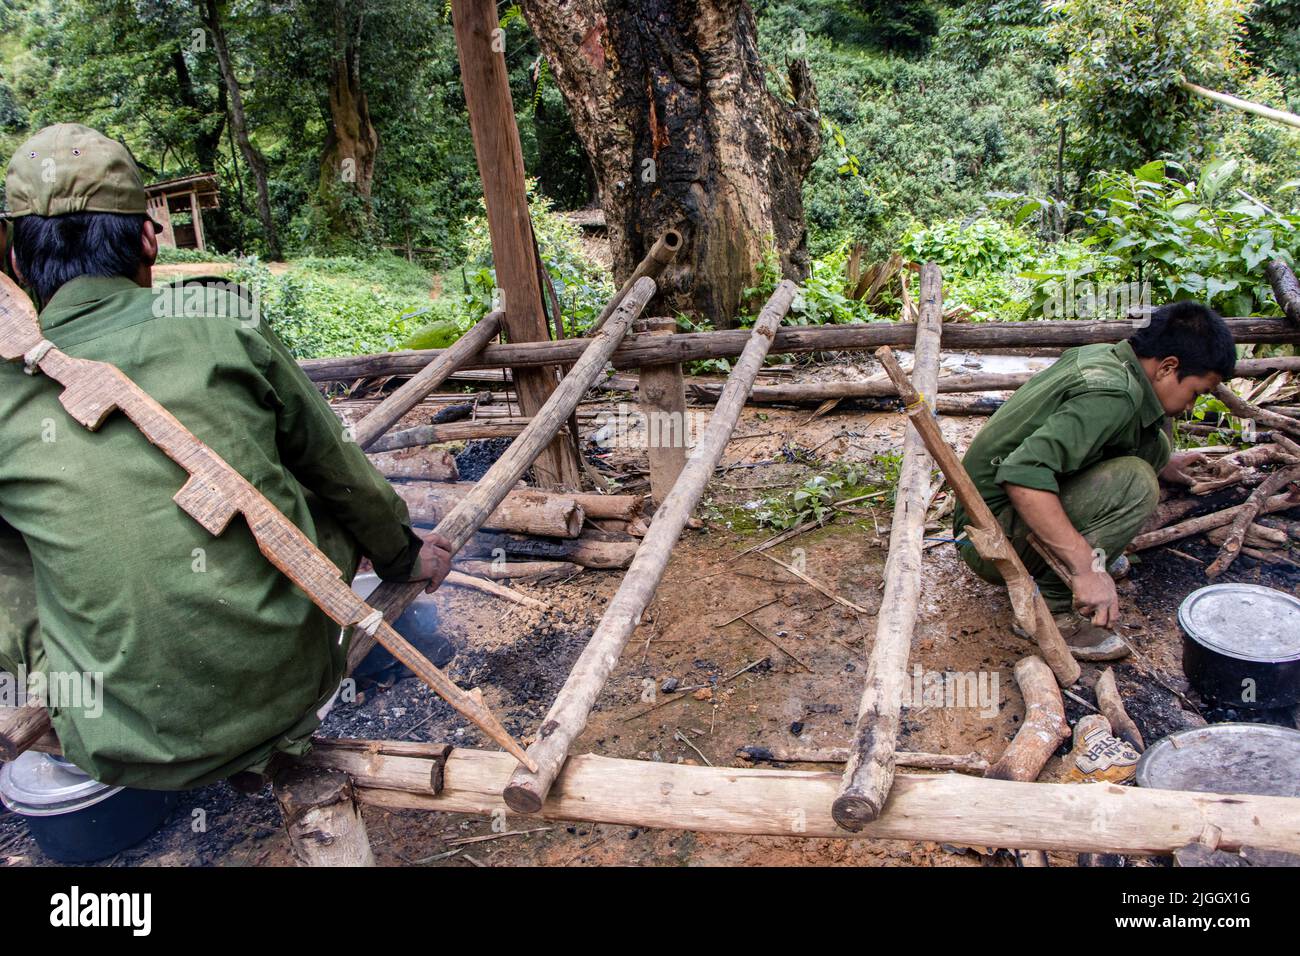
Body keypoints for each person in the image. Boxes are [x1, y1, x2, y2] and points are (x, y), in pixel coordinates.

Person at [0, 123, 452, 789]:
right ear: (149, 237)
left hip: (120, 738)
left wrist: (51, 674)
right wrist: (402, 554)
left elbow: (13, 590)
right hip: (293, 678)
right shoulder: (216, 312)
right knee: (307, 489)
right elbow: (333, 462)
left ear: (15, 261)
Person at [954, 301, 1235, 660]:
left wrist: (1165, 461)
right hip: (987, 540)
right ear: (1168, 367)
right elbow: (1023, 476)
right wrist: (1086, 568)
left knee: (1152, 448)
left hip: (989, 519)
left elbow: (1120, 436)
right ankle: (1050, 610)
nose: (1192, 406)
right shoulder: (1113, 394)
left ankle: (1072, 558)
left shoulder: (1112, 360)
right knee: (1136, 483)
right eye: (1196, 393)